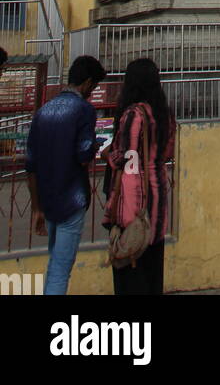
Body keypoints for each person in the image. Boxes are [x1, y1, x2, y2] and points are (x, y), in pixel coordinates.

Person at [25, 54, 106, 295]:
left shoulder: (43, 111)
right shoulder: (83, 110)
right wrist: (95, 145)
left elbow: (31, 164)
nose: (93, 91)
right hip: (72, 199)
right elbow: (82, 154)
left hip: (48, 198)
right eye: (94, 86)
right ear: (88, 83)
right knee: (61, 269)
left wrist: (36, 207)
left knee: (54, 263)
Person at [103, 57, 176, 294]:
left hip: (134, 200)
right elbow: (167, 152)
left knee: (130, 263)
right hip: (157, 196)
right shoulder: (164, 114)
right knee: (153, 265)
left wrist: (108, 154)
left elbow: (126, 157)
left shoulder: (134, 114)